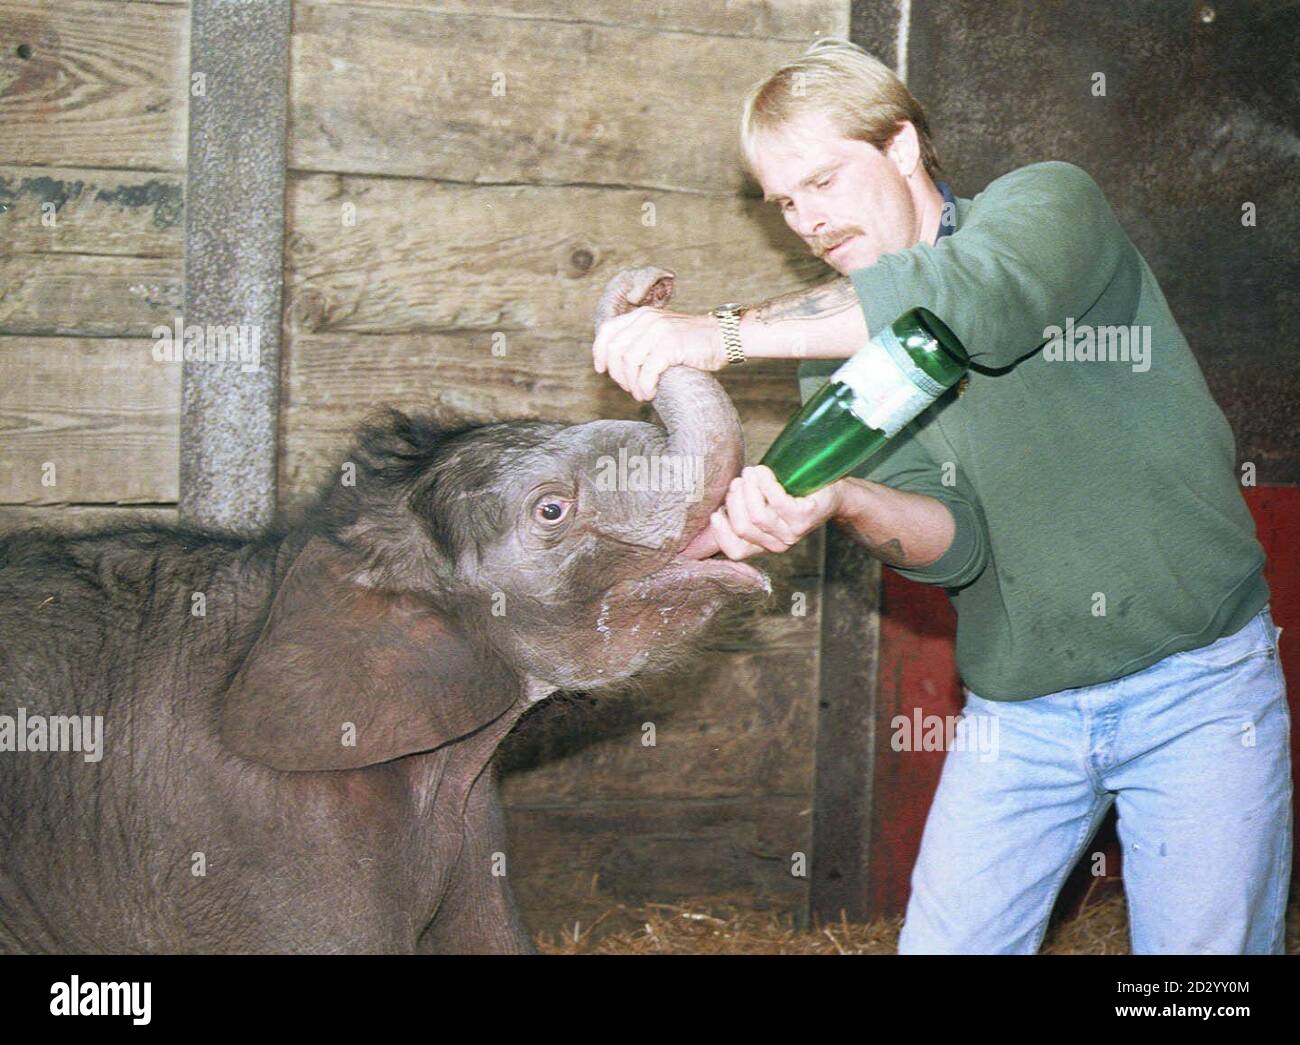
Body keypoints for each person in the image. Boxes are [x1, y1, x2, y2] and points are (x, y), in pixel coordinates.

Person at [591, 37, 1291, 955]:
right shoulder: (839, 356)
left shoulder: (1049, 202)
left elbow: (967, 304)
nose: (807, 218)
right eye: (786, 201)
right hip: (1022, 708)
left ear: (904, 148)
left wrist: (718, 333)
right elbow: (954, 544)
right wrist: (840, 499)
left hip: (1196, 684)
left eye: (825, 179)